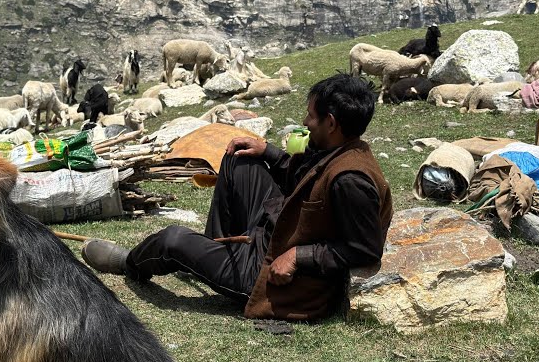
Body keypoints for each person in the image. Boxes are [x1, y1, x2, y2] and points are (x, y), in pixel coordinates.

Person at [82, 73, 393, 321]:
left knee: (172, 239)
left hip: (268, 274)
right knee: (239, 158)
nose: (305, 122)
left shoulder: (351, 180)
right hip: (272, 234)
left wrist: (298, 256)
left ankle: (131, 263)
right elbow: (302, 183)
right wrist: (268, 151)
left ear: (331, 123)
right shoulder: (337, 149)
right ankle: (210, 253)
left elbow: (364, 251)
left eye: (311, 116)